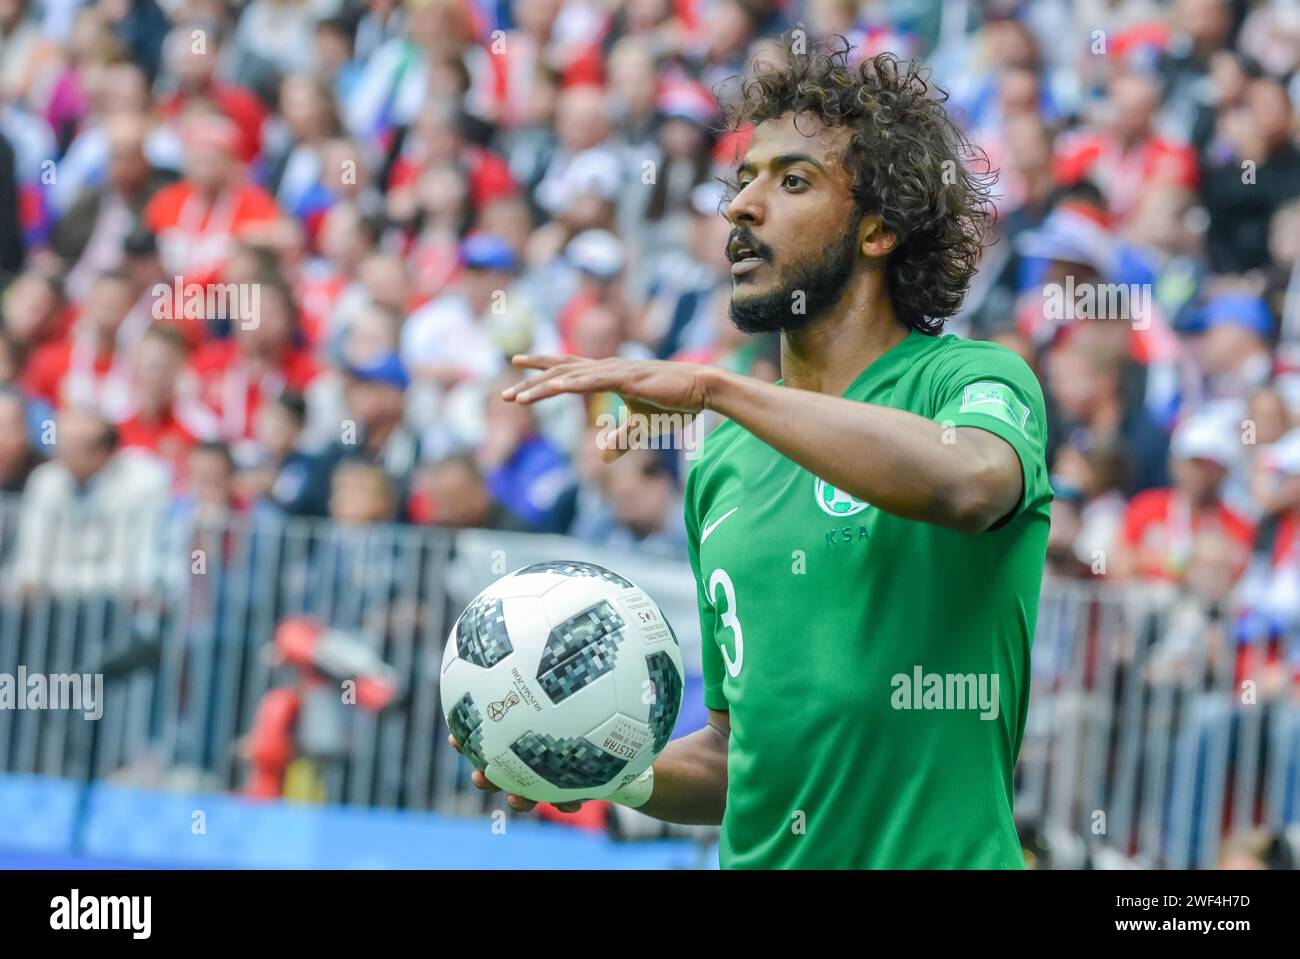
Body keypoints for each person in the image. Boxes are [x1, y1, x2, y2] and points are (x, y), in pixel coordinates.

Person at [454, 39, 1052, 869]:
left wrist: (716, 391)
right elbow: (740, 757)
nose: (742, 207)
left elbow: (971, 483)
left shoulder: (972, 380)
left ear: (879, 227)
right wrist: (595, 765)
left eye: (792, 181)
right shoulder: (724, 460)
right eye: (745, 179)